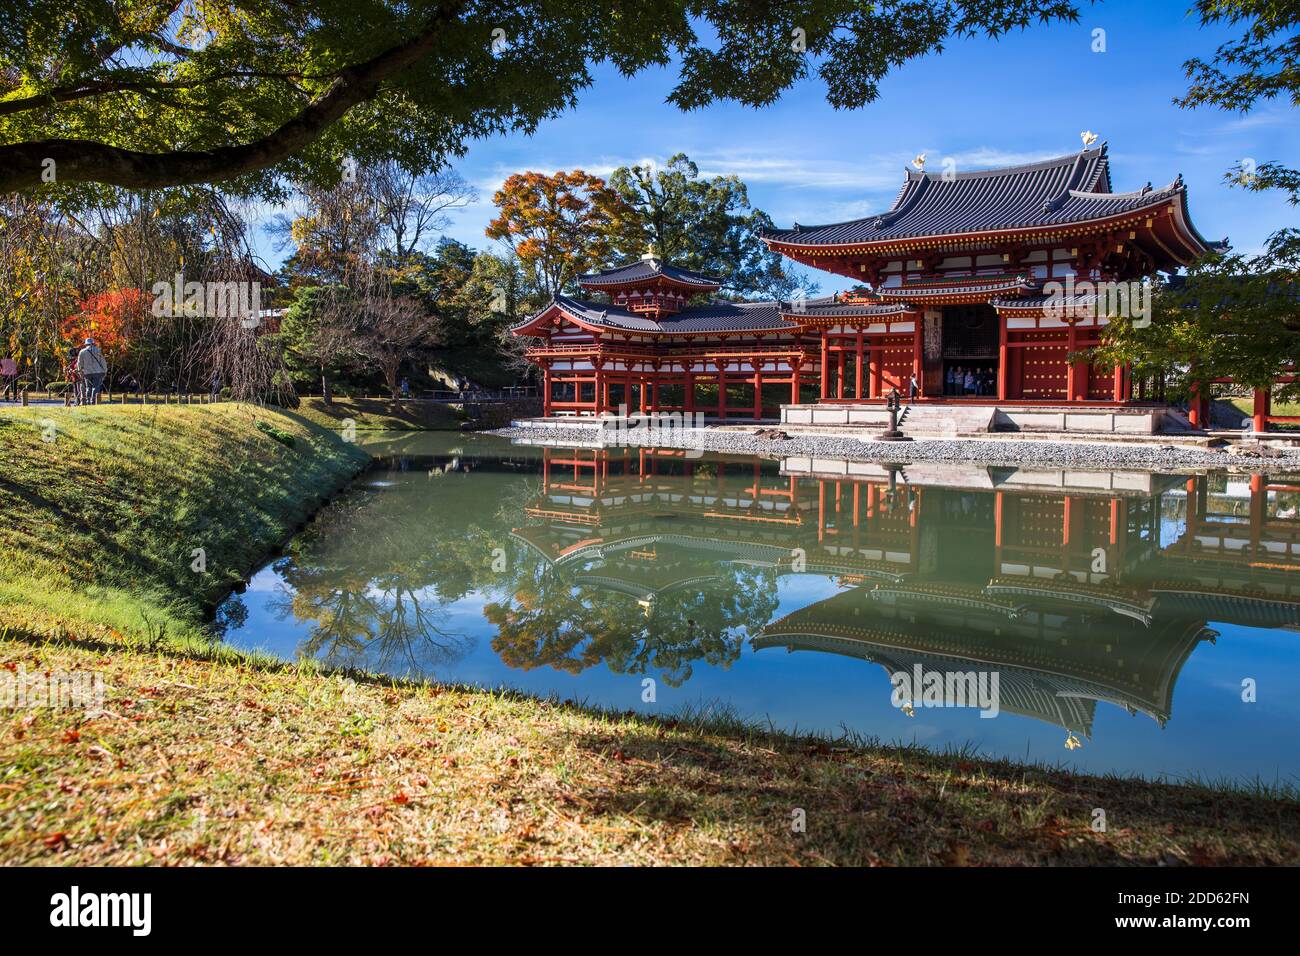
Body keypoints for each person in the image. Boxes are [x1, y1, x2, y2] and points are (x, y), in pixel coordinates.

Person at [76, 337, 108, 405]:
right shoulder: (98, 350)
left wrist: (80, 371)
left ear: (86, 344)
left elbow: (79, 363)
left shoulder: (82, 352)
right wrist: (105, 370)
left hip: (87, 372)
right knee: (96, 387)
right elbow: (103, 361)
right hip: (97, 371)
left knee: (88, 387)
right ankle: (93, 401)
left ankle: (88, 400)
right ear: (93, 343)